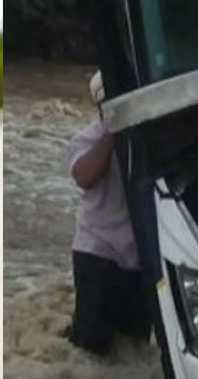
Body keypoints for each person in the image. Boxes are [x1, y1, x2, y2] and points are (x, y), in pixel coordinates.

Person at [62, 71, 153, 357]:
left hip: (140, 255)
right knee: (90, 347)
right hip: (97, 250)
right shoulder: (86, 140)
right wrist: (114, 131)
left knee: (133, 347)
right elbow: (84, 175)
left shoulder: (150, 137)